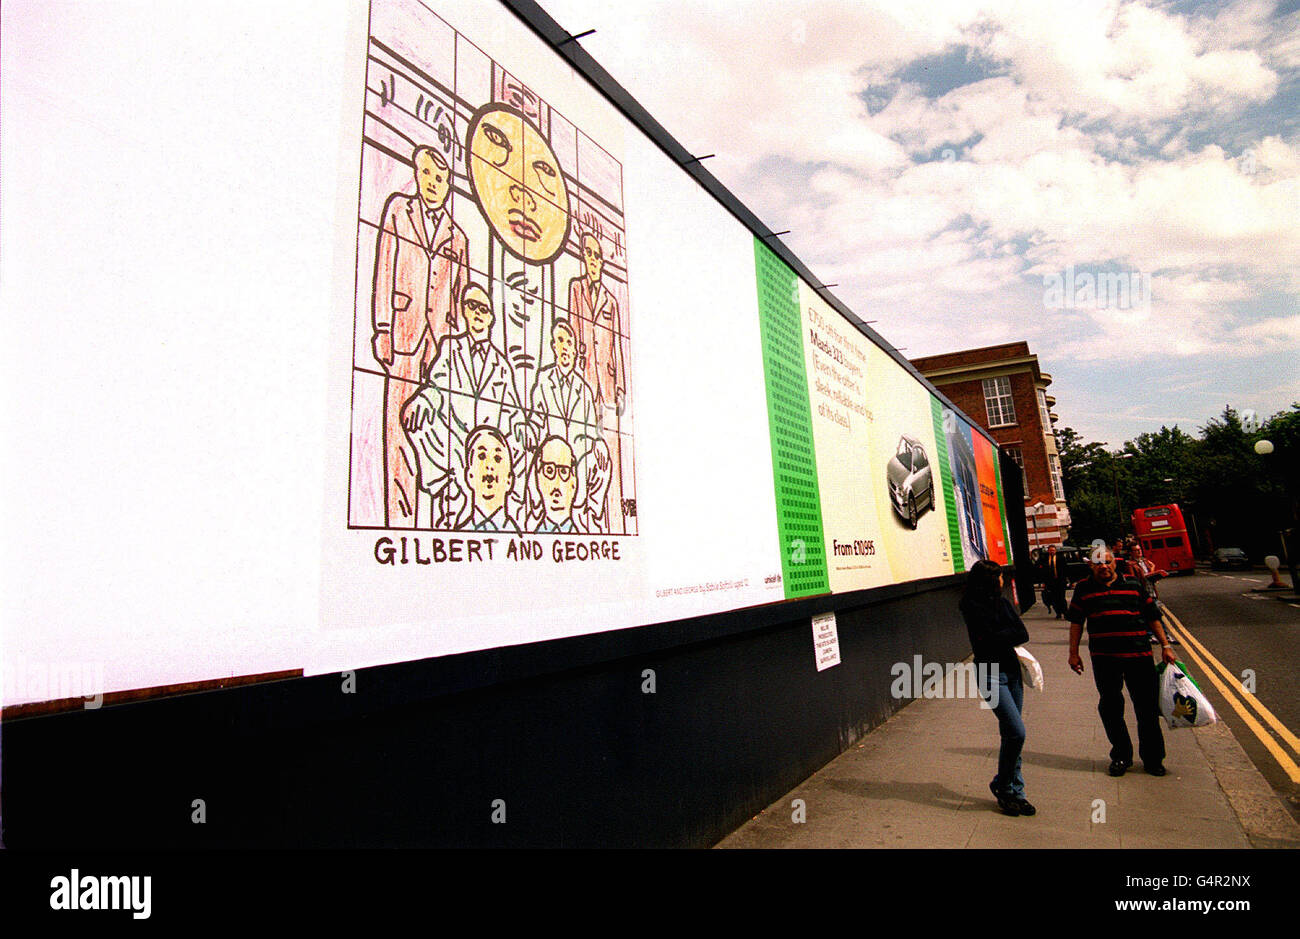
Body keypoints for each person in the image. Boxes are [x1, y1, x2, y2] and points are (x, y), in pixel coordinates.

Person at [371, 144, 469, 528]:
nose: (434, 183)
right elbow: (384, 267)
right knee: (398, 428)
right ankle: (399, 520)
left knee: (439, 433)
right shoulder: (398, 210)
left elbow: (461, 296)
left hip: (440, 347)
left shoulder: (457, 236)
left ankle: (438, 522)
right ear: (417, 173)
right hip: (403, 336)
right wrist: (382, 328)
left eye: (442, 178)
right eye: (428, 174)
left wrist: (457, 346)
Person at [403, 284, 526, 526]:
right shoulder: (451, 347)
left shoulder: (500, 364)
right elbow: (436, 384)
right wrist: (425, 399)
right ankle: (449, 487)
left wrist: (521, 423)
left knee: (520, 443)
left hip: (488, 444)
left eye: (484, 308)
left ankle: (506, 509)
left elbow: (513, 407)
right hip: (456, 440)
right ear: (464, 311)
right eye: (472, 306)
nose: (478, 313)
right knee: (418, 418)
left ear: (491, 317)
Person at [1068, 547, 1178, 777]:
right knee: (1110, 708)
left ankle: (1153, 759)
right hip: (1104, 659)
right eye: (1098, 563)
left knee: (1146, 709)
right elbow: (1076, 622)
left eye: (1107, 562)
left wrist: (1165, 646)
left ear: (1114, 563)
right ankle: (1121, 755)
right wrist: (1073, 653)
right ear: (1091, 566)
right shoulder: (1083, 589)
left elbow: (1153, 617)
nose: (1104, 567)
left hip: (1139, 657)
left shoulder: (1134, 585)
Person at [960, 559, 1035, 817]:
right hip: (990, 674)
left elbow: (1021, 633)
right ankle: (1002, 785)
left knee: (1011, 735)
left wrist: (998, 636)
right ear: (991, 580)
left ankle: (1017, 792)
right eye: (1000, 577)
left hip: (1012, 672)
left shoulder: (1003, 602)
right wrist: (1003, 634)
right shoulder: (970, 605)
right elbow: (984, 641)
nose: (1003, 581)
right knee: (1017, 732)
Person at [453, 425, 521, 533]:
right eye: (482, 456)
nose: (489, 465)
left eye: (497, 458)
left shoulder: (520, 538)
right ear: (469, 476)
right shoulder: (459, 534)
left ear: (509, 479)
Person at [1039, 544, 1069, 619]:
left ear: (1055, 551)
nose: (1052, 552)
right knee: (1054, 598)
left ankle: (1065, 613)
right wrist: (1043, 582)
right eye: (1050, 550)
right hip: (1050, 582)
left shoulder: (1061, 558)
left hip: (1060, 581)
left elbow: (1065, 570)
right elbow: (1043, 571)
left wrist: (1067, 580)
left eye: (1053, 550)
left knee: (1061, 597)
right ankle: (1058, 613)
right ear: (1048, 551)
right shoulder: (1045, 559)